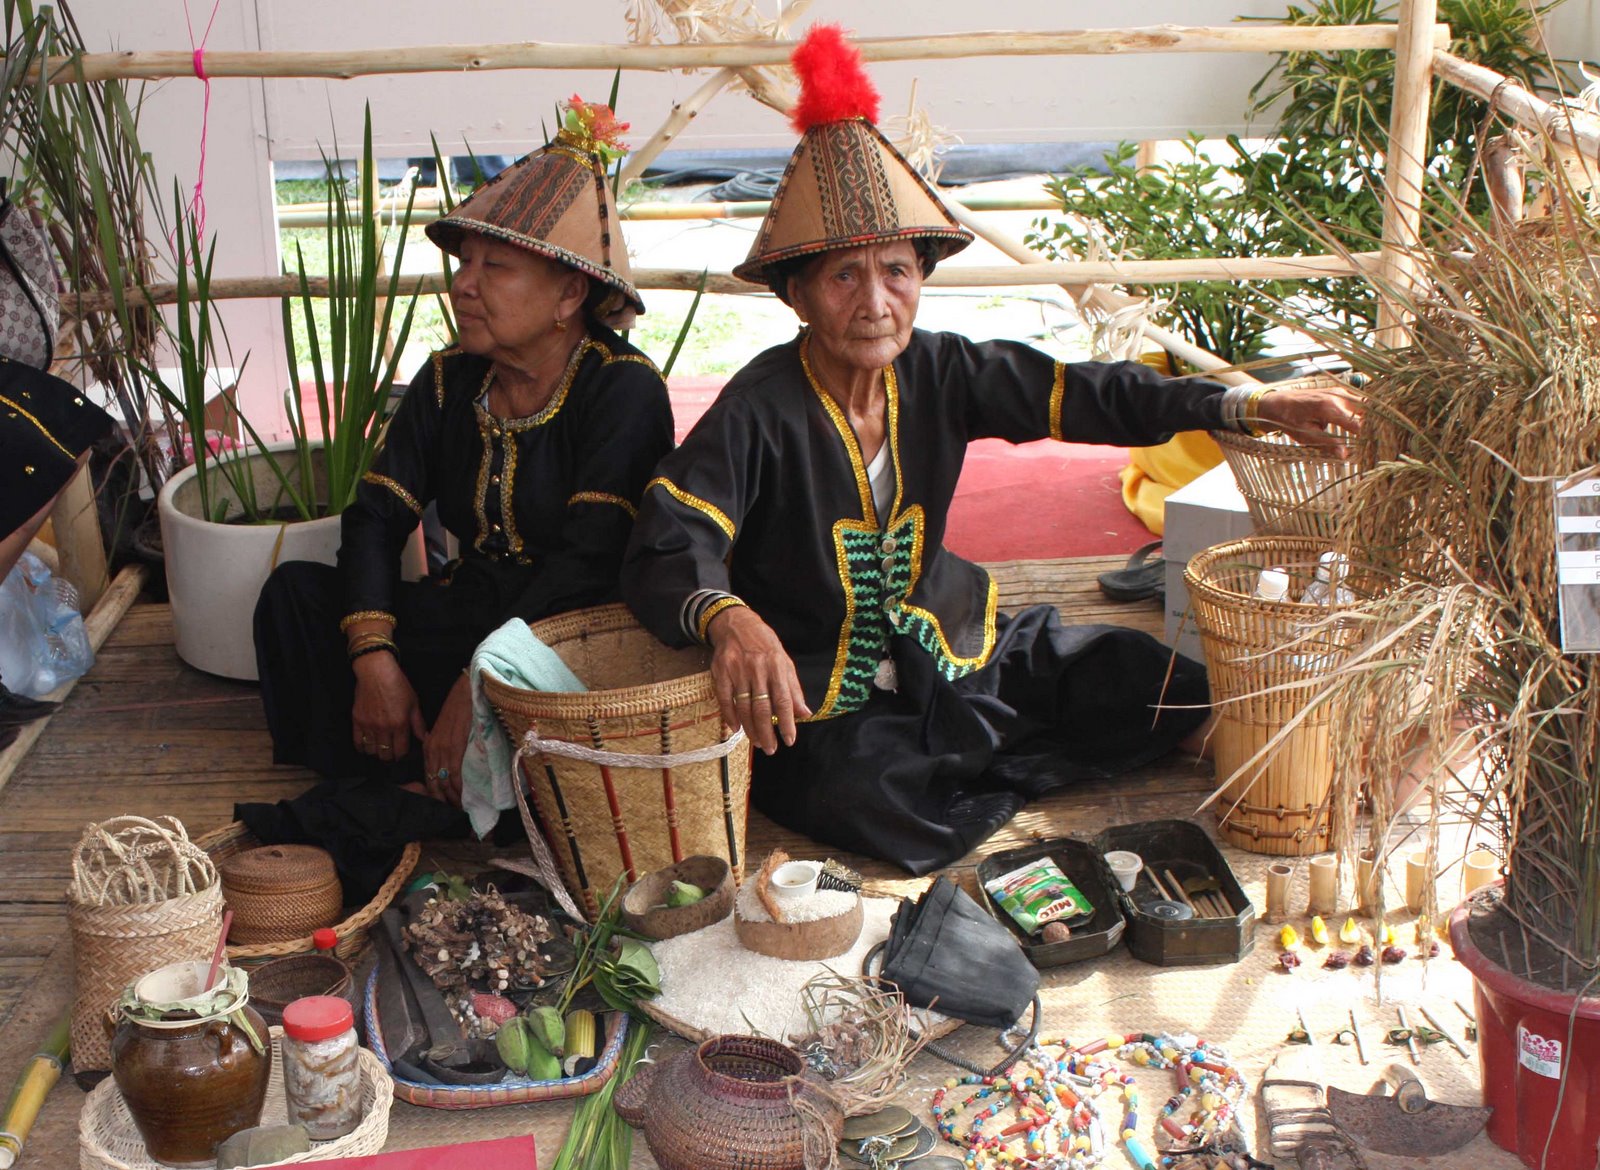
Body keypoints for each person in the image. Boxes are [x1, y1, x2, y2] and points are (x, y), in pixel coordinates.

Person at [620, 27, 1362, 875]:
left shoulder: (941, 370)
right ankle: (1017, 759)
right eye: (842, 277)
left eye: (895, 271)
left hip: (950, 643)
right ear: (796, 296)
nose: (876, 302)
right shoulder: (760, 408)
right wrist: (729, 620)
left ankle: (1067, 754)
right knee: (869, 796)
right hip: (825, 697)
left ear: (921, 277)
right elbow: (671, 536)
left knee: (1143, 672)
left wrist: (1247, 400)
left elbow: (1089, 392)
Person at [254, 99, 674, 815]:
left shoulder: (621, 389)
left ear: (570, 292)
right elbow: (377, 519)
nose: (464, 284)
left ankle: (419, 795)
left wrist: (476, 680)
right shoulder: (451, 378)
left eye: (496, 267)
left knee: (537, 693)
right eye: (464, 262)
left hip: (565, 644)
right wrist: (374, 659)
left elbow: (588, 567)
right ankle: (416, 787)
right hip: (468, 614)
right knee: (293, 596)